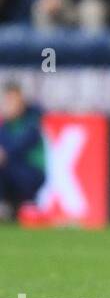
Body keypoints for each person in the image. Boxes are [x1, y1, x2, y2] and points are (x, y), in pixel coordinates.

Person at [0, 81, 46, 219]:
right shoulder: (5, 125)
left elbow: (21, 145)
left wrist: (5, 153)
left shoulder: (32, 120)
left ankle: (9, 207)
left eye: (12, 100)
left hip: (32, 172)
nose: (9, 104)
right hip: (11, 171)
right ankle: (7, 208)